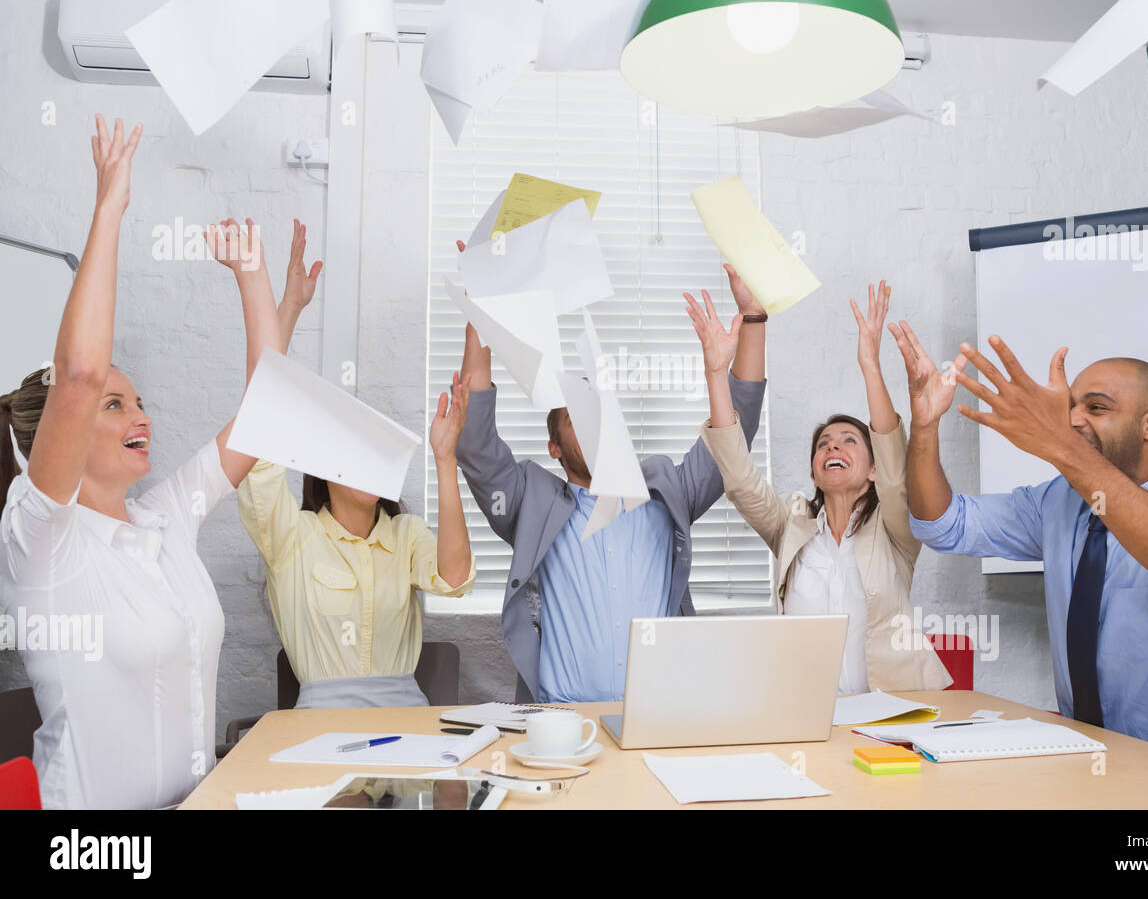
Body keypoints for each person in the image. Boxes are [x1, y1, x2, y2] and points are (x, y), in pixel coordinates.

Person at [0, 116, 282, 808]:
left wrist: (252, 275)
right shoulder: (38, 541)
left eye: (139, 401)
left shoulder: (165, 521)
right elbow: (80, 372)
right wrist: (110, 208)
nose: (142, 417)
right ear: (56, 438)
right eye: (115, 405)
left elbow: (272, 415)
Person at [890, 322, 1148, 761]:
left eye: (1096, 408)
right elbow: (943, 524)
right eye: (1071, 406)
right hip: (1091, 761)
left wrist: (1060, 448)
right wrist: (924, 425)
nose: (1072, 419)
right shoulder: (1059, 502)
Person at [456, 265, 767, 703]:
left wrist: (752, 319)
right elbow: (475, 446)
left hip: (658, 715)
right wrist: (480, 315)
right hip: (561, 724)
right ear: (554, 448)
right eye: (575, 416)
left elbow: (735, 438)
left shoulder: (667, 493)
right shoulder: (533, 502)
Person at [236, 220, 475, 708]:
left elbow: (453, 579)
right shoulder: (293, 537)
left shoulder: (404, 535)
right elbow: (261, 421)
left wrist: (445, 459)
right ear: (325, 468)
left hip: (406, 720)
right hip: (321, 723)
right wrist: (289, 310)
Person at [693, 278, 950, 693]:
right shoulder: (790, 528)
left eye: (850, 441)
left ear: (872, 470)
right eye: (824, 444)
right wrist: (716, 373)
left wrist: (870, 364)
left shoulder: (896, 532)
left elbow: (896, 472)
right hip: (806, 715)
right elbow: (739, 478)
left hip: (891, 714)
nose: (834, 446)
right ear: (815, 471)